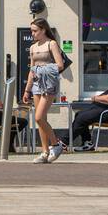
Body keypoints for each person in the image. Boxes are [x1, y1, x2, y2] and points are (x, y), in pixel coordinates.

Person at [23, 17, 67, 163]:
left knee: (38, 117)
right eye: (31, 31)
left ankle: (56, 144)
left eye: (35, 31)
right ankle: (44, 151)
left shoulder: (51, 44)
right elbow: (31, 69)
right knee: (41, 120)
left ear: (43, 30)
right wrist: (27, 90)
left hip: (48, 83)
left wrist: (41, 69)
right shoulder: (33, 47)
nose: (33, 34)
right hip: (36, 84)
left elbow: (60, 65)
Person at [69, 81, 108, 151]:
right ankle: (87, 143)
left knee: (82, 118)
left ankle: (64, 142)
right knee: (79, 114)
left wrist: (95, 98)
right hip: (103, 110)